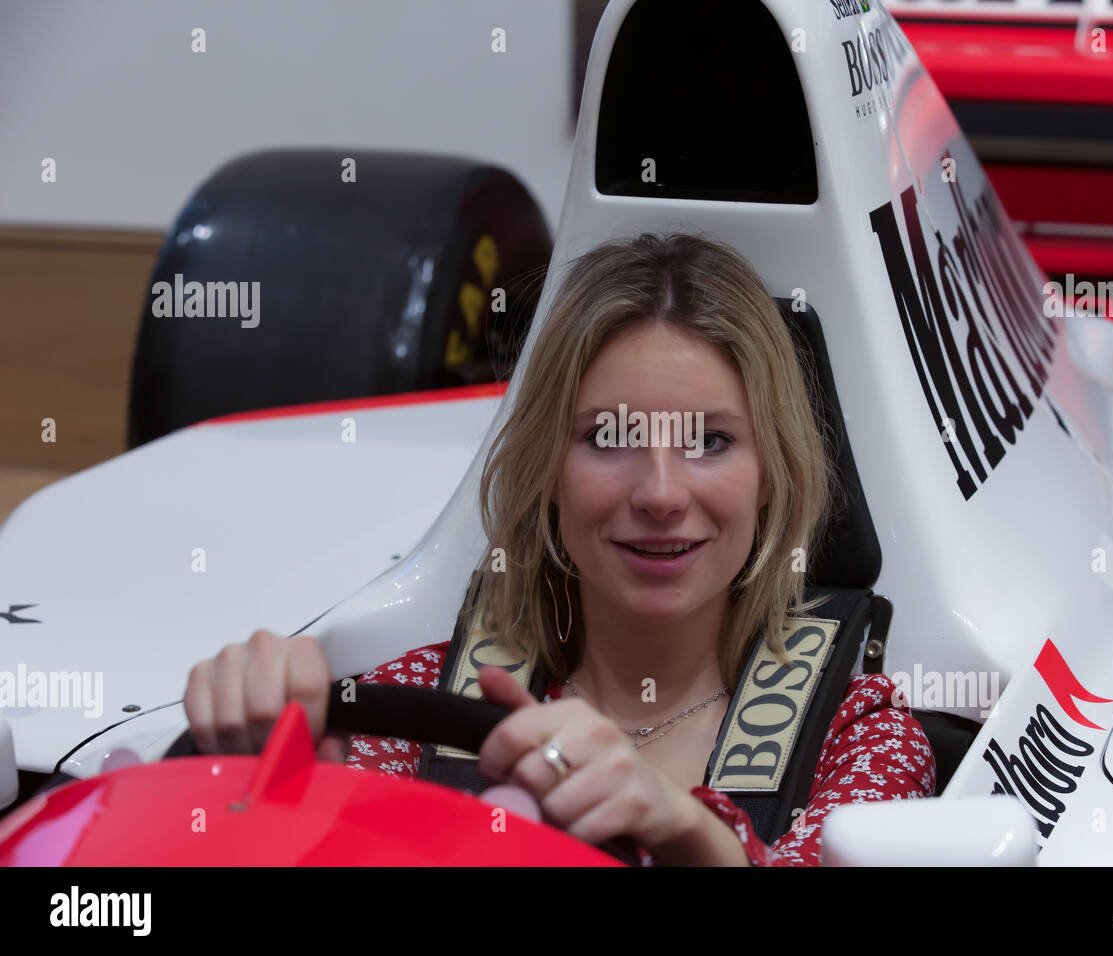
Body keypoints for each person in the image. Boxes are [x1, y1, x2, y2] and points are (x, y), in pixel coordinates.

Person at [183, 233, 936, 866]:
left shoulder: (859, 736)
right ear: (546, 468)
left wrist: (680, 828)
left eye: (711, 441)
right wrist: (265, 777)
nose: (661, 493)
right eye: (609, 438)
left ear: (772, 473)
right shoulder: (412, 712)